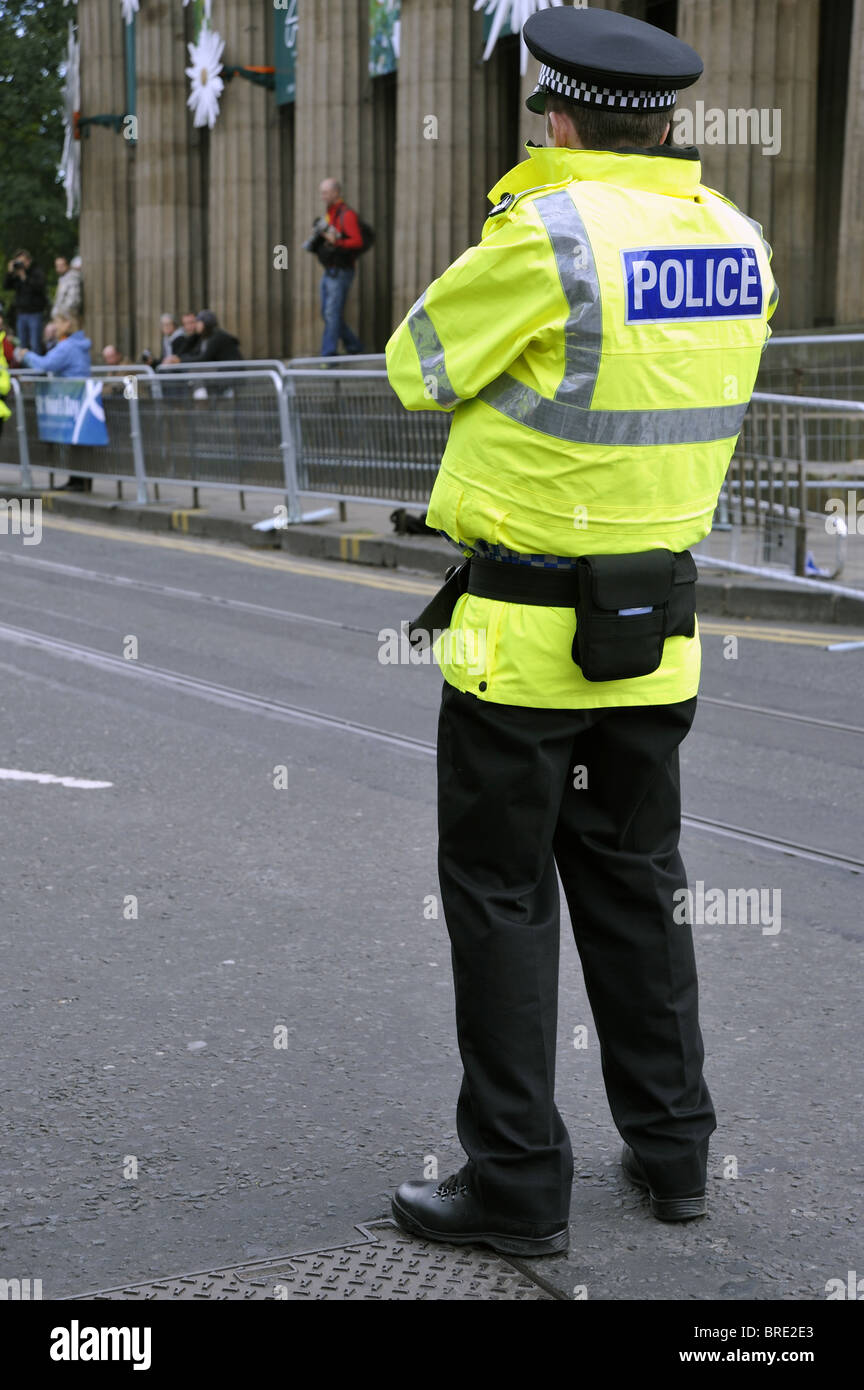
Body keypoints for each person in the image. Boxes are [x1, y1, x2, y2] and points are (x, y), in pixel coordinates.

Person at [385, 5, 778, 1258]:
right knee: (640, 889)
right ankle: (674, 1154)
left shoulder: (547, 234)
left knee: (502, 901)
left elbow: (416, 364)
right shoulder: (739, 241)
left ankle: (515, 1185)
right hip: (655, 630)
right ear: (665, 119)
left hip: (522, 642)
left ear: (555, 111)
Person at [17, 312, 96, 490]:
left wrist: (27, 354)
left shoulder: (67, 346)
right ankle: (80, 481)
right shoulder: (79, 344)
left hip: (70, 397)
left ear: (68, 324)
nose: (54, 326)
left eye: (57, 322)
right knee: (78, 441)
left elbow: (45, 364)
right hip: (79, 397)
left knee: (73, 441)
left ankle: (78, 482)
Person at [308, 178, 365, 357]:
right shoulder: (330, 214)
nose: (322, 196)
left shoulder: (346, 214)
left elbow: (357, 241)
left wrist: (337, 241)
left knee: (331, 313)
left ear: (335, 193)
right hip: (330, 270)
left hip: (341, 271)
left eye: (325, 193)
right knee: (327, 313)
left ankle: (329, 354)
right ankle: (354, 346)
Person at [3, 250, 48, 352]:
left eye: (22, 262)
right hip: (21, 314)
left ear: (29, 261)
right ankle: (24, 367)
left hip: (35, 313)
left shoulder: (36, 272)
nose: (20, 264)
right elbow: (6, 286)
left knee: (34, 343)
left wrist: (24, 277)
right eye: (18, 262)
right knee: (22, 344)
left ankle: (36, 368)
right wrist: (10, 273)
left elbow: (39, 288)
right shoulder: (16, 274)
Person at [163, 310, 242, 365]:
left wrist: (180, 360)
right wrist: (178, 358)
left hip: (229, 374)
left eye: (198, 322)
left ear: (205, 323)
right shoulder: (203, 338)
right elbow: (194, 353)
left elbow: (204, 358)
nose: (195, 325)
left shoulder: (217, 337)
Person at [53, 256, 84, 320]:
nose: (59, 268)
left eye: (62, 265)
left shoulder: (72, 278)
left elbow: (73, 300)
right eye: (57, 265)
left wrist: (61, 314)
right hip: (62, 317)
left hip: (68, 318)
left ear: (67, 265)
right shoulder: (63, 278)